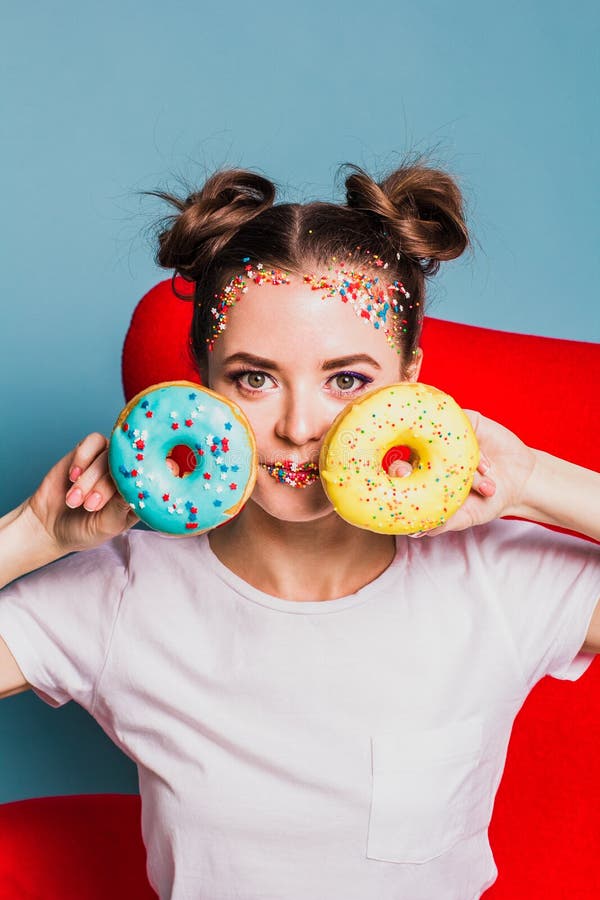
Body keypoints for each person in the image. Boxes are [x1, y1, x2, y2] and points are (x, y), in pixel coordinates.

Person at [0, 159, 598, 900]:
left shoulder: (496, 578)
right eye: (254, 378)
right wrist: (31, 533)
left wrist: (538, 481)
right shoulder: (123, 591)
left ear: (409, 381)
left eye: (347, 379)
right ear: (201, 381)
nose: (298, 427)